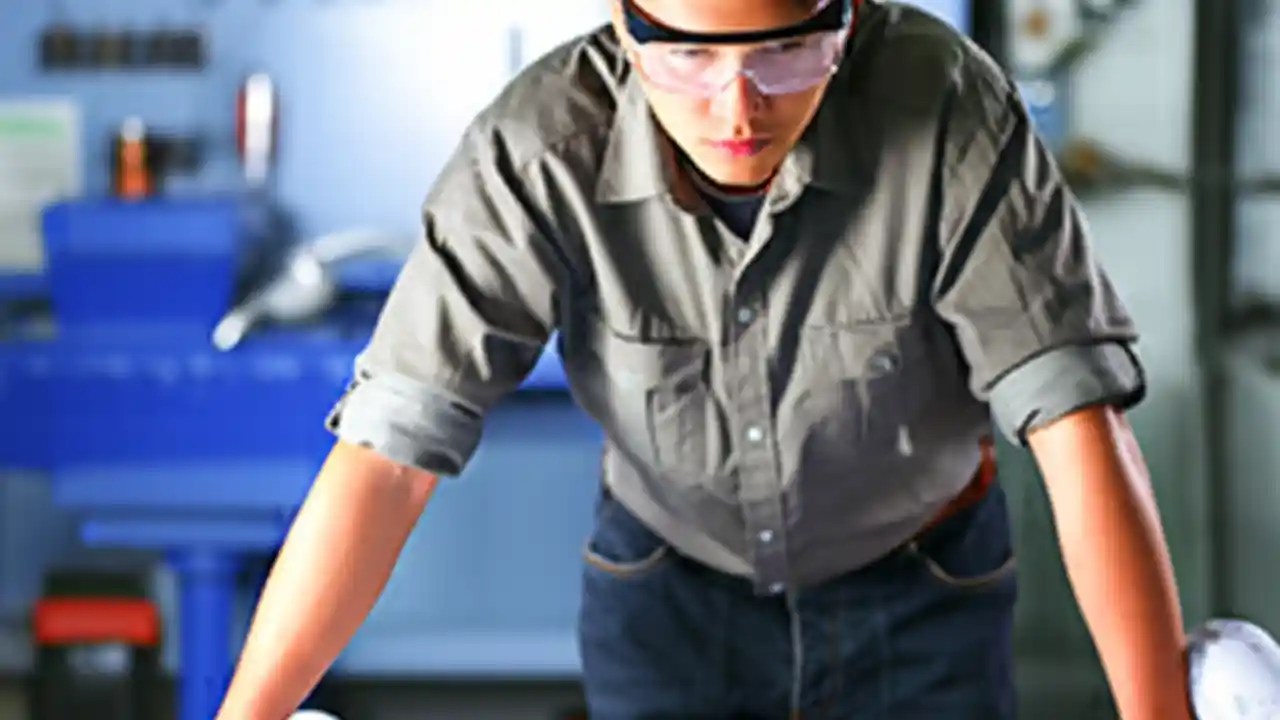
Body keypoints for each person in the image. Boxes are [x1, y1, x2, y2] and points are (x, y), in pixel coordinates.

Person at [215, 0, 1195, 717]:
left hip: (919, 589)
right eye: (684, 58)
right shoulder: (539, 147)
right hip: (666, 593)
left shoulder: (945, 109)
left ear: (846, 21)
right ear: (623, 26)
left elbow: (1073, 430)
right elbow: (387, 462)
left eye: (783, 56)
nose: (736, 110)